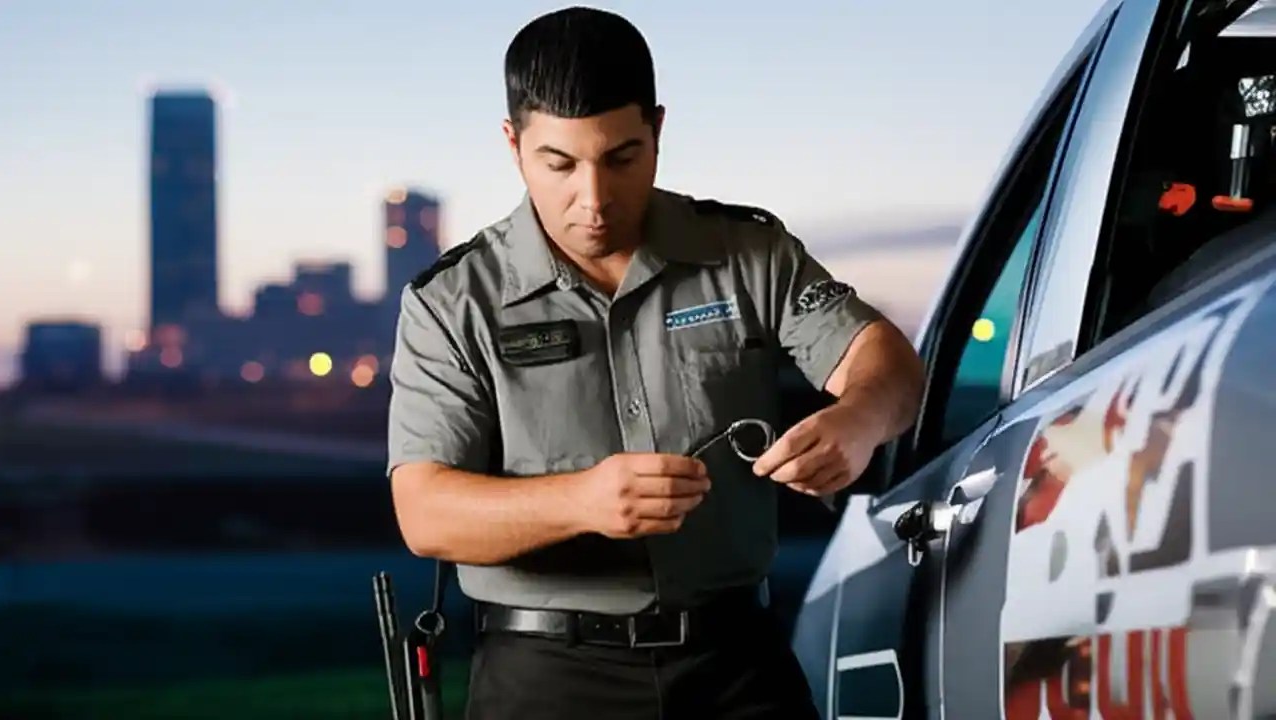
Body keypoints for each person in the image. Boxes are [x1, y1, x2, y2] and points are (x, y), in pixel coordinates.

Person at [386, 6, 925, 719]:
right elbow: (424, 513)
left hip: (738, 666)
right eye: (560, 164)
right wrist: (581, 501)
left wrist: (859, 419)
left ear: (658, 131)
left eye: (621, 158)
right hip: (547, 679)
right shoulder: (452, 301)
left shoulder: (748, 252)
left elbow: (886, 362)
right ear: (513, 144)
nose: (594, 199)